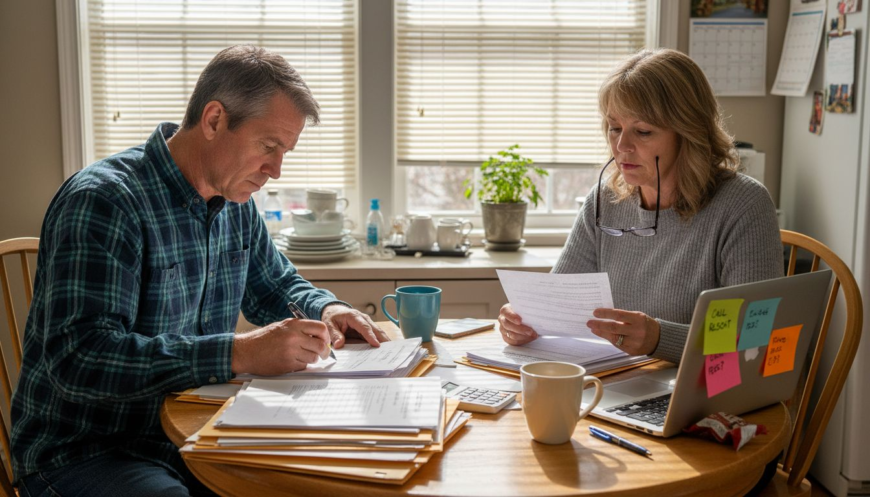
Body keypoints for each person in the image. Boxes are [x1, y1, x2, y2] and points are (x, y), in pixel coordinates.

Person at [11, 45, 389, 496]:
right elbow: (80, 359)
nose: (275, 170)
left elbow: (275, 286)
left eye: (285, 152)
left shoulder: (236, 201)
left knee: (324, 478)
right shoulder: (105, 201)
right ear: (213, 120)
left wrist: (327, 309)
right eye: (268, 146)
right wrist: (237, 353)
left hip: (193, 432)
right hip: (89, 451)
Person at [497, 48, 782, 364]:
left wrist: (660, 338)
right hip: (616, 381)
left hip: (697, 387)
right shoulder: (604, 201)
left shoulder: (743, 205)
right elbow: (557, 304)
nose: (622, 146)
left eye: (643, 131)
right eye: (614, 128)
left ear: (688, 132)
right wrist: (525, 320)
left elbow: (754, 343)